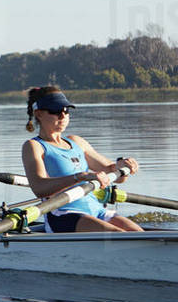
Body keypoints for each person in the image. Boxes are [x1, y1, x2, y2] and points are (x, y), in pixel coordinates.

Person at [21, 85, 142, 233]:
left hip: (98, 211)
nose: (63, 115)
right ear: (39, 114)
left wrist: (123, 166)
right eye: (55, 111)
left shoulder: (76, 141)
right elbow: (39, 188)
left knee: (138, 233)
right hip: (64, 215)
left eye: (66, 110)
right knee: (120, 236)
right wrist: (80, 177)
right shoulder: (34, 146)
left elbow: (112, 173)